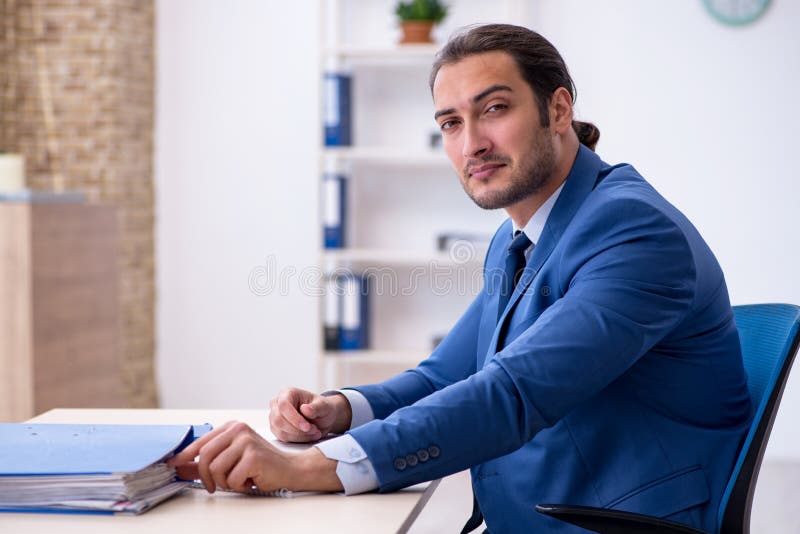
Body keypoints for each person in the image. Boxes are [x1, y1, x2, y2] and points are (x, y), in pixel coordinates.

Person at [170, 24, 752, 533]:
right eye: (451, 122)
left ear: (558, 110)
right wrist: (340, 411)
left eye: (494, 109)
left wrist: (308, 469)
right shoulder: (518, 236)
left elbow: (513, 393)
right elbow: (448, 374)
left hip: (612, 523)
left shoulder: (634, 232)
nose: (471, 143)